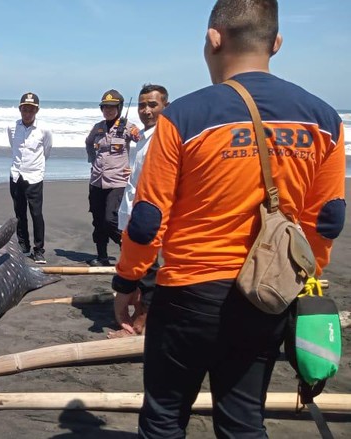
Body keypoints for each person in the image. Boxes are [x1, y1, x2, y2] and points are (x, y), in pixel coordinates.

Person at [112, 1, 346, 436]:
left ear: (213, 38)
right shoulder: (324, 119)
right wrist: (300, 277)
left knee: (164, 417)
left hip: (188, 292)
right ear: (276, 43)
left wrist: (128, 282)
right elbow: (327, 219)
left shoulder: (184, 115)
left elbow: (147, 218)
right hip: (266, 294)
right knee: (242, 420)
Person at [109, 84, 169, 339]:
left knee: (149, 269)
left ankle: (141, 321)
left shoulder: (163, 138)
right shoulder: (144, 136)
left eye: (152, 105)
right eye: (142, 105)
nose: (146, 110)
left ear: (165, 106)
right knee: (138, 266)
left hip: (149, 217)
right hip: (132, 210)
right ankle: (138, 310)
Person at [85, 89, 140, 266]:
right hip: (97, 181)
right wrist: (92, 161)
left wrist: (137, 168)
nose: (108, 110)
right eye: (105, 107)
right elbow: (88, 142)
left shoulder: (128, 127)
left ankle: (130, 250)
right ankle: (102, 257)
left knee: (111, 220)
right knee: (98, 220)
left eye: (112, 107)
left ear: (119, 107)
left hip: (117, 181)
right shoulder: (98, 127)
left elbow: (146, 142)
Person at [7, 92, 53, 264]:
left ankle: (39, 249)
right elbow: (14, 148)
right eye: (25, 109)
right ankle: (23, 246)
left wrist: (36, 167)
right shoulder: (12, 128)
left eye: (31, 110)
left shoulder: (44, 130)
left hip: (34, 176)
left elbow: (47, 150)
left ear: (36, 111)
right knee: (19, 212)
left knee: (36, 213)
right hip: (16, 174)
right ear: (20, 109)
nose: (27, 113)